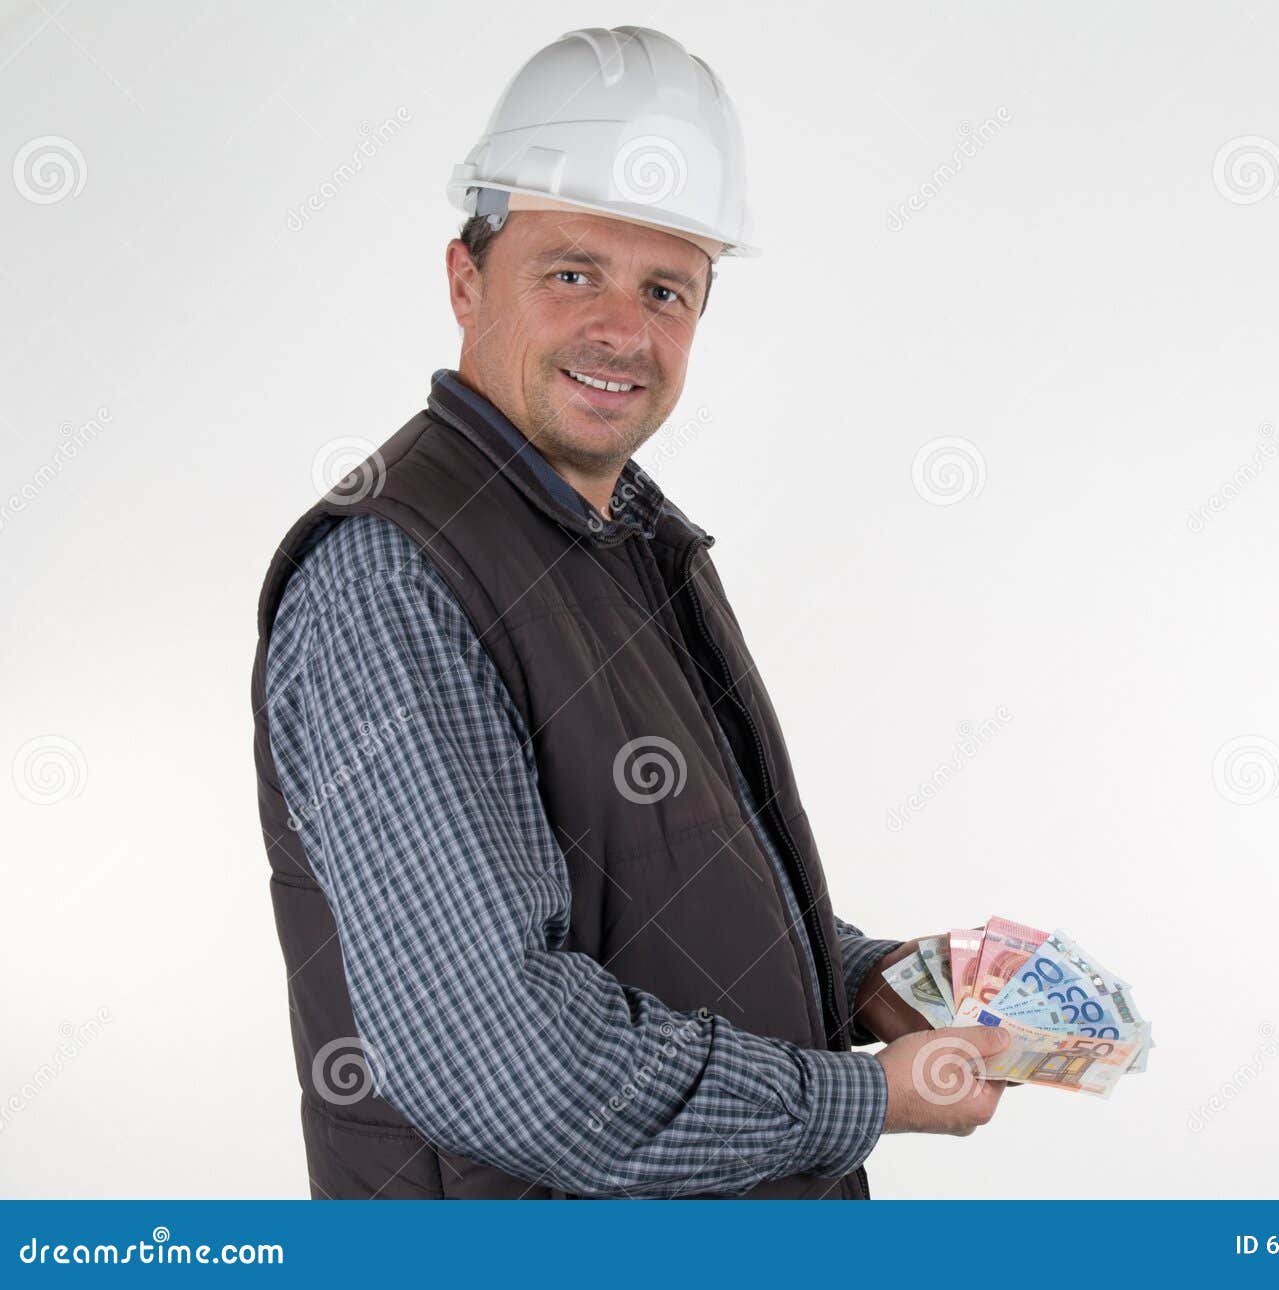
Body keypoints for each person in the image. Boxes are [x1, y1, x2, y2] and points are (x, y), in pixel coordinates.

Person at [249, 25, 1007, 1200]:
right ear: (465, 280)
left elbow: (656, 904)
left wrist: (869, 978)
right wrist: (869, 1098)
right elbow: (501, 1062)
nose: (622, 331)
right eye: (571, 273)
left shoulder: (635, 542)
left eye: (665, 291)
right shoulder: (393, 581)